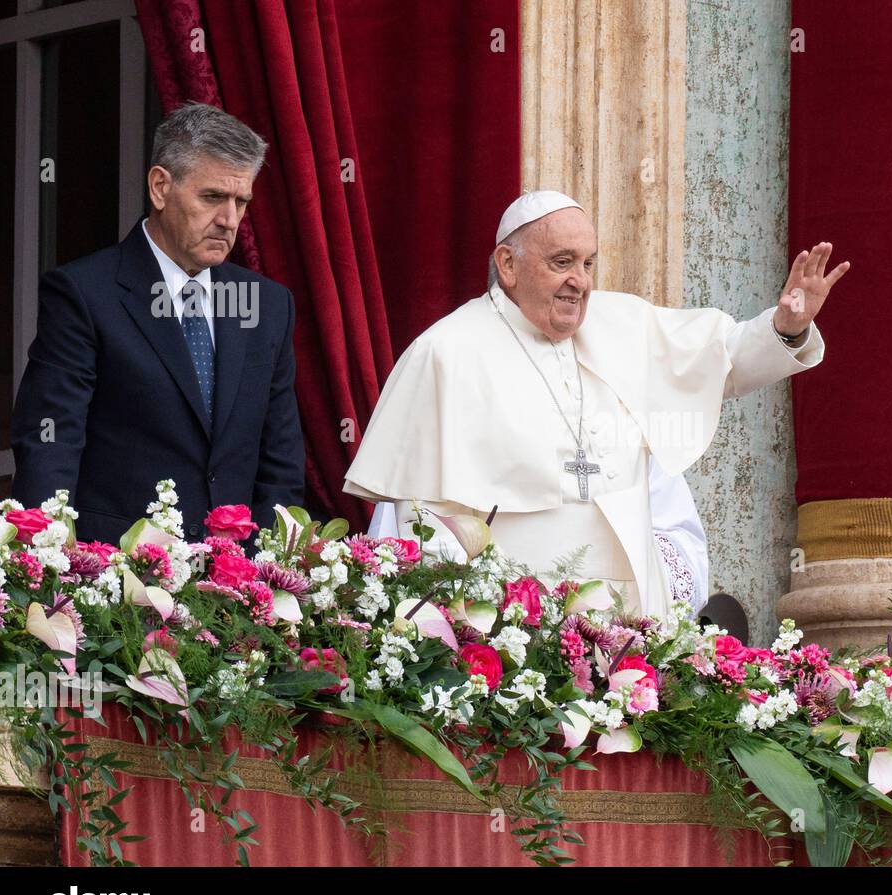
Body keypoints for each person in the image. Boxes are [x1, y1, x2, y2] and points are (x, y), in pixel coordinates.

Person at [343, 190, 847, 617]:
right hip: (510, 629)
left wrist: (786, 326)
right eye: (561, 262)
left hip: (627, 624)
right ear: (508, 264)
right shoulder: (446, 352)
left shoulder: (623, 324)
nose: (579, 280)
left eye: (587, 264)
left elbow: (725, 358)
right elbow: (422, 526)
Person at [11, 102, 304, 543]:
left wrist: (271, 571)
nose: (229, 220)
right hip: (115, 584)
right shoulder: (83, 293)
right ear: (161, 187)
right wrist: (49, 567)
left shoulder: (268, 304)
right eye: (212, 197)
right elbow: (51, 445)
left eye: (241, 201)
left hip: (236, 589)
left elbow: (280, 459)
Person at [368, 455, 711, 613]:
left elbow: (683, 546)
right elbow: (397, 553)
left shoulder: (625, 405)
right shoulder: (451, 379)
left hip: (614, 658)